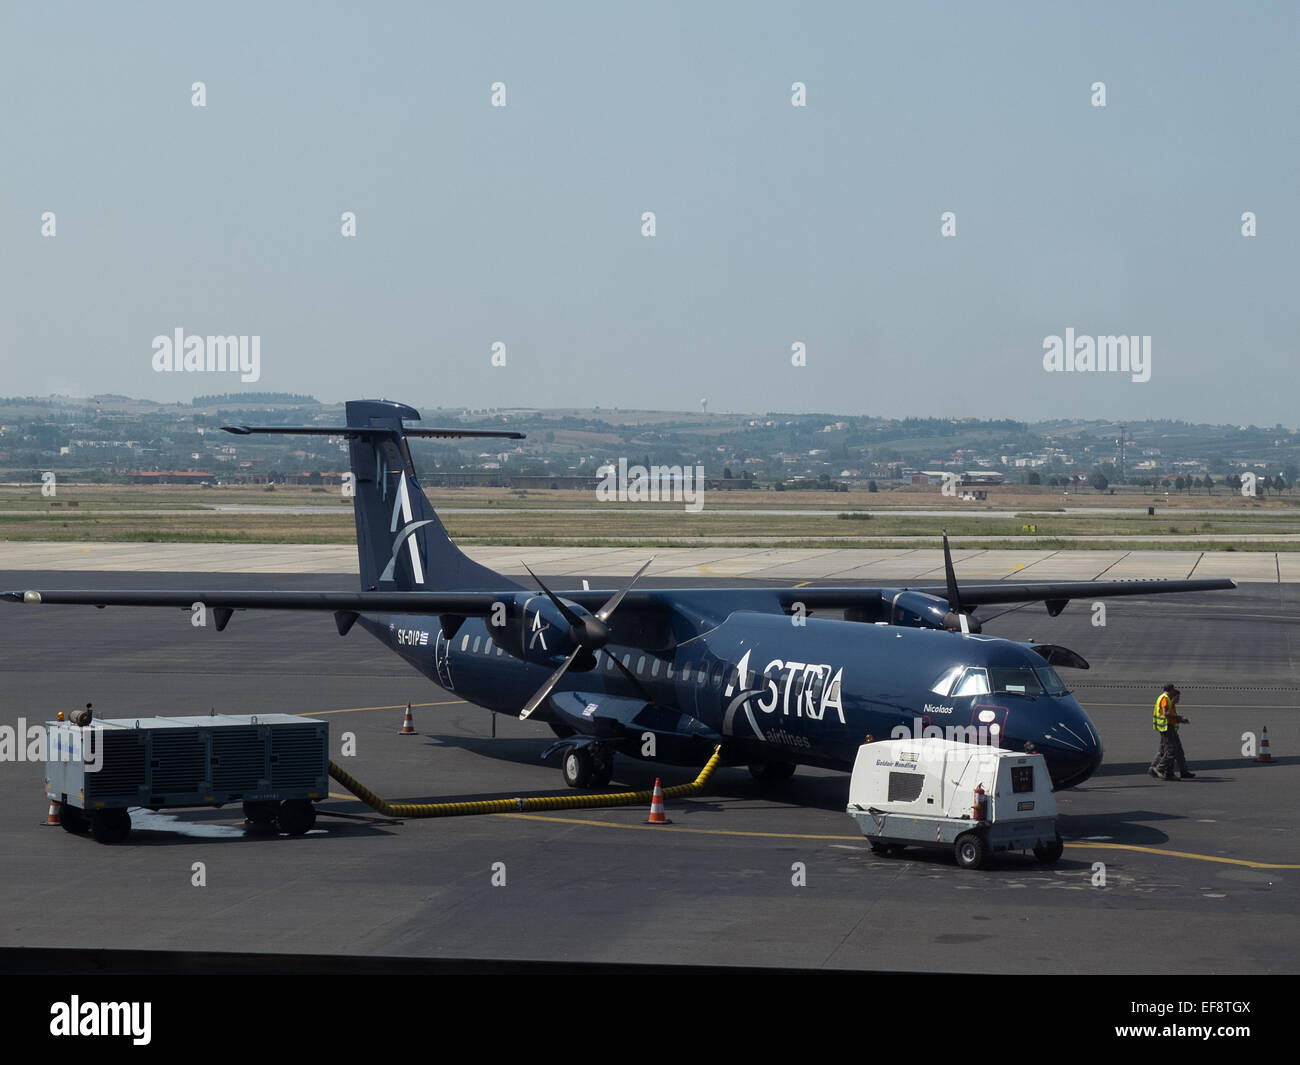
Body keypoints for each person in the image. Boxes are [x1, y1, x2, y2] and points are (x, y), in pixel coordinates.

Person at [1149, 684, 1194, 780]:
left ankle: (1178, 772)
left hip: (1169, 728)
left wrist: (1180, 720)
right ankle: (1160, 769)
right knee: (1171, 750)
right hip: (1166, 727)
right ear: (1171, 690)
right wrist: (1179, 718)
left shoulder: (1167, 700)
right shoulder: (1165, 699)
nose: (1178, 698)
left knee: (1173, 750)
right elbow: (1165, 714)